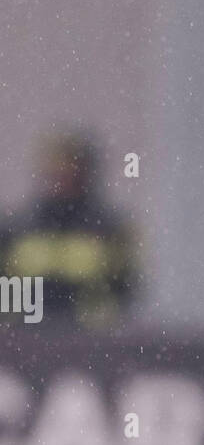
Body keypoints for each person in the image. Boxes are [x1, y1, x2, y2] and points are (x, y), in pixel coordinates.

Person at [0, 131, 137, 327]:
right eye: (54, 169)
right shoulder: (16, 229)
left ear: (85, 173)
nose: (60, 177)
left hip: (91, 344)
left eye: (69, 168)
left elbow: (125, 289)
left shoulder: (110, 230)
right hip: (27, 341)